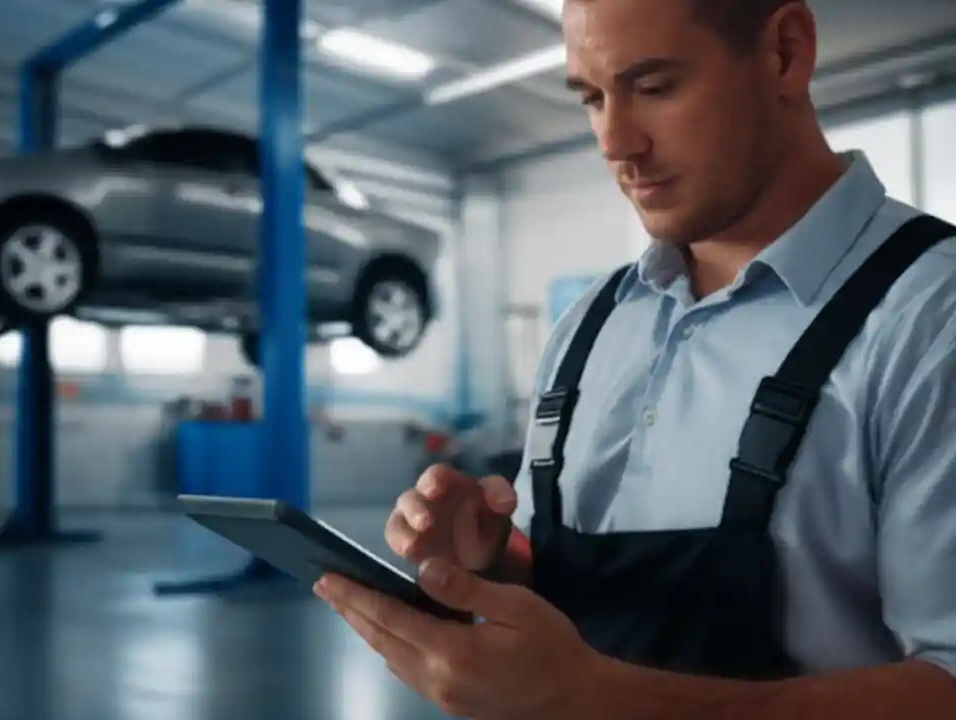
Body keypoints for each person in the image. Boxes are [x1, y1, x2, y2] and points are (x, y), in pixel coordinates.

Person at [312, 0, 956, 717]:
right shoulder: (593, 323)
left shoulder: (932, 318)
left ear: (785, 51)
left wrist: (595, 698)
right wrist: (493, 558)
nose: (616, 143)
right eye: (592, 98)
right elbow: (569, 596)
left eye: (654, 87)